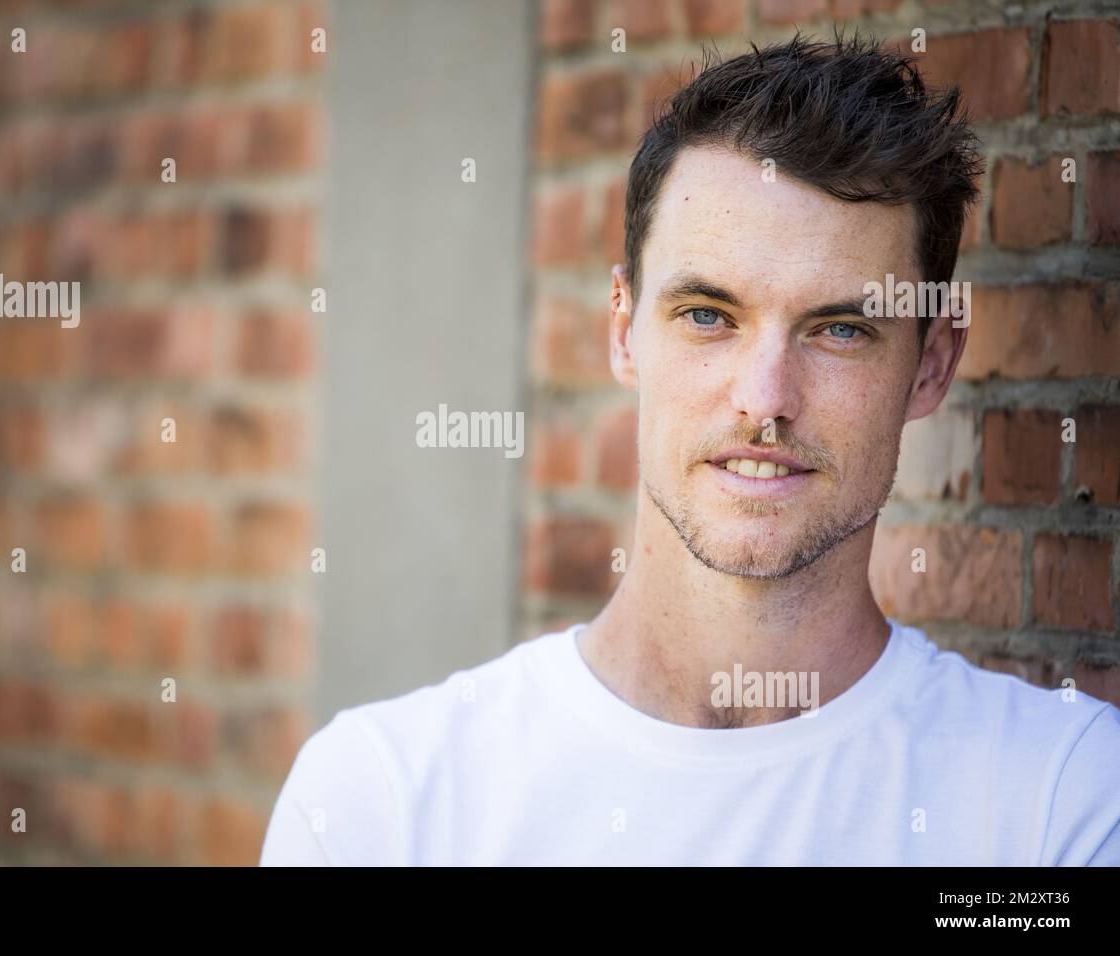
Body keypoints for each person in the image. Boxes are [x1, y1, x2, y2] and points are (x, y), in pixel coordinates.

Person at [260, 32, 1120, 866]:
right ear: (624, 329)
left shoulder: (1057, 799)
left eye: (841, 329)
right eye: (708, 315)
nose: (765, 400)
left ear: (931, 366)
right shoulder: (384, 800)